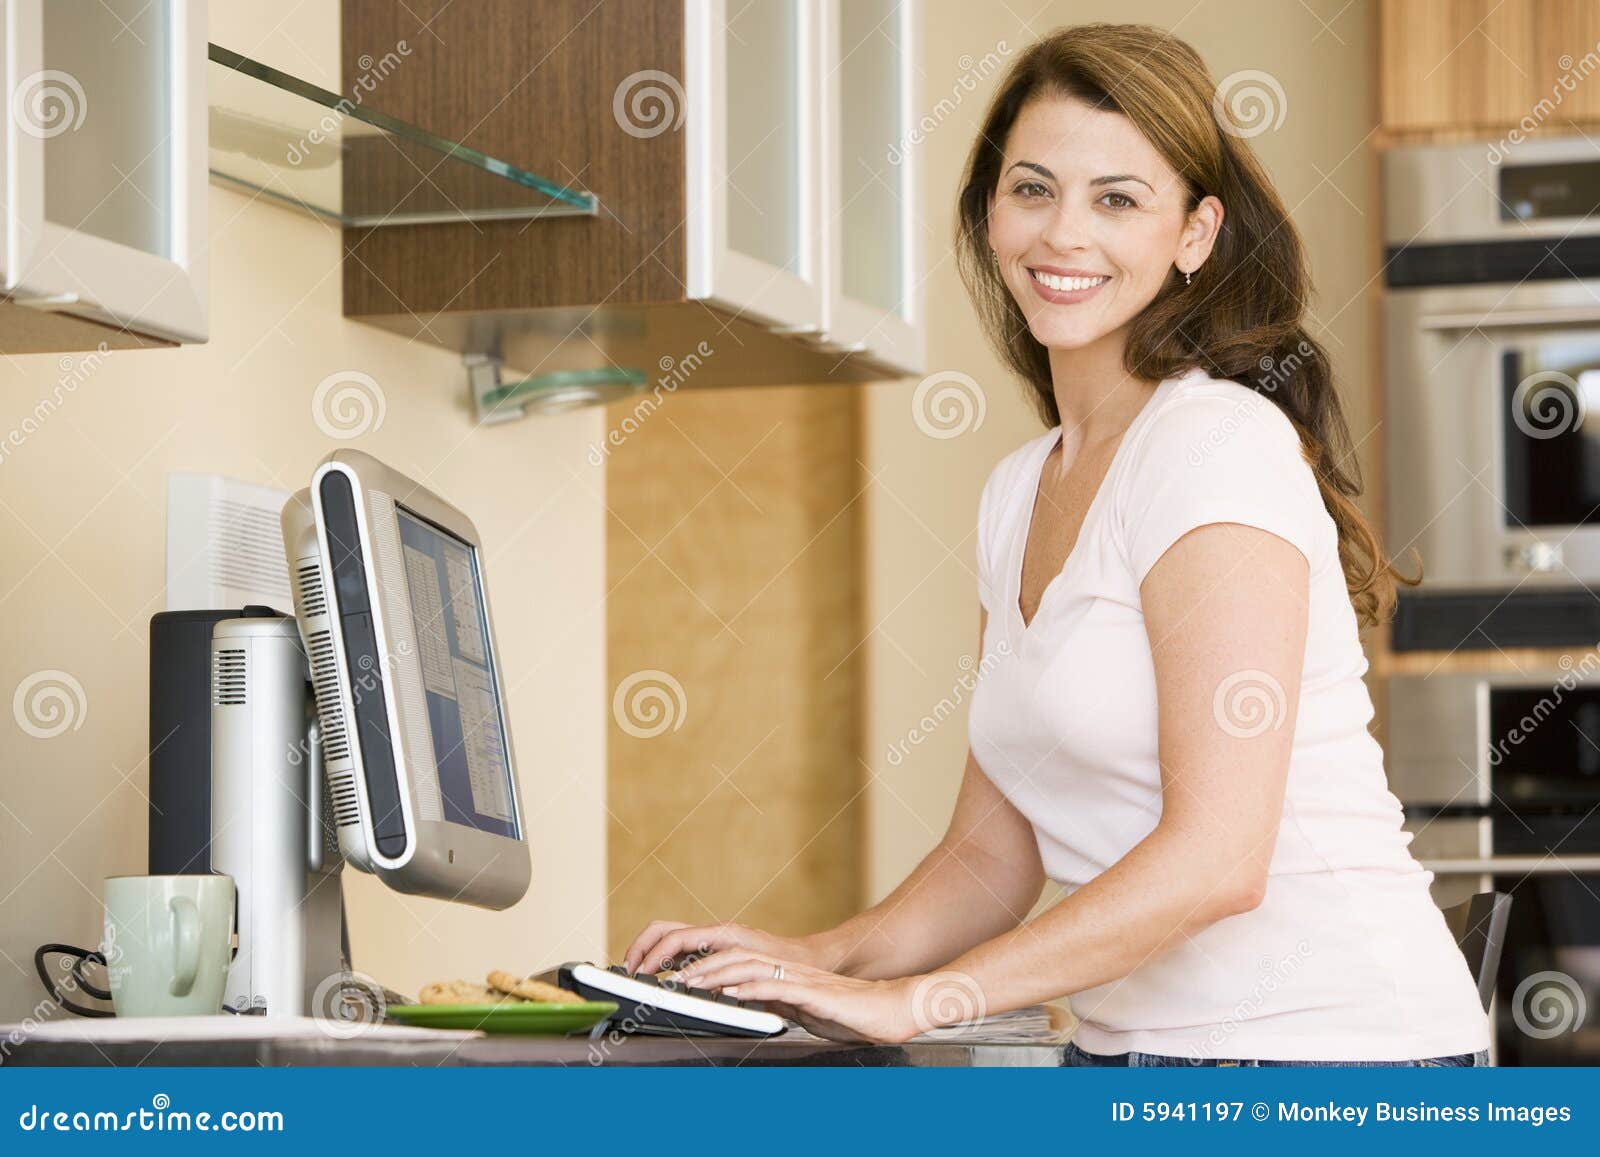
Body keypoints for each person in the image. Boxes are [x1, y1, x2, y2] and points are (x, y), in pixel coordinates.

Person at [625, 22, 1491, 1067]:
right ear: (989, 213)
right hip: (1137, 1058)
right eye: (1032, 189)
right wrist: (812, 956)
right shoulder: (1015, 491)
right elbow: (994, 852)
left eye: (1116, 199)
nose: (1062, 234)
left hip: (1335, 1061)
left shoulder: (1213, 445)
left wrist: (922, 1000)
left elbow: (1220, 856)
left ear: (1194, 234)